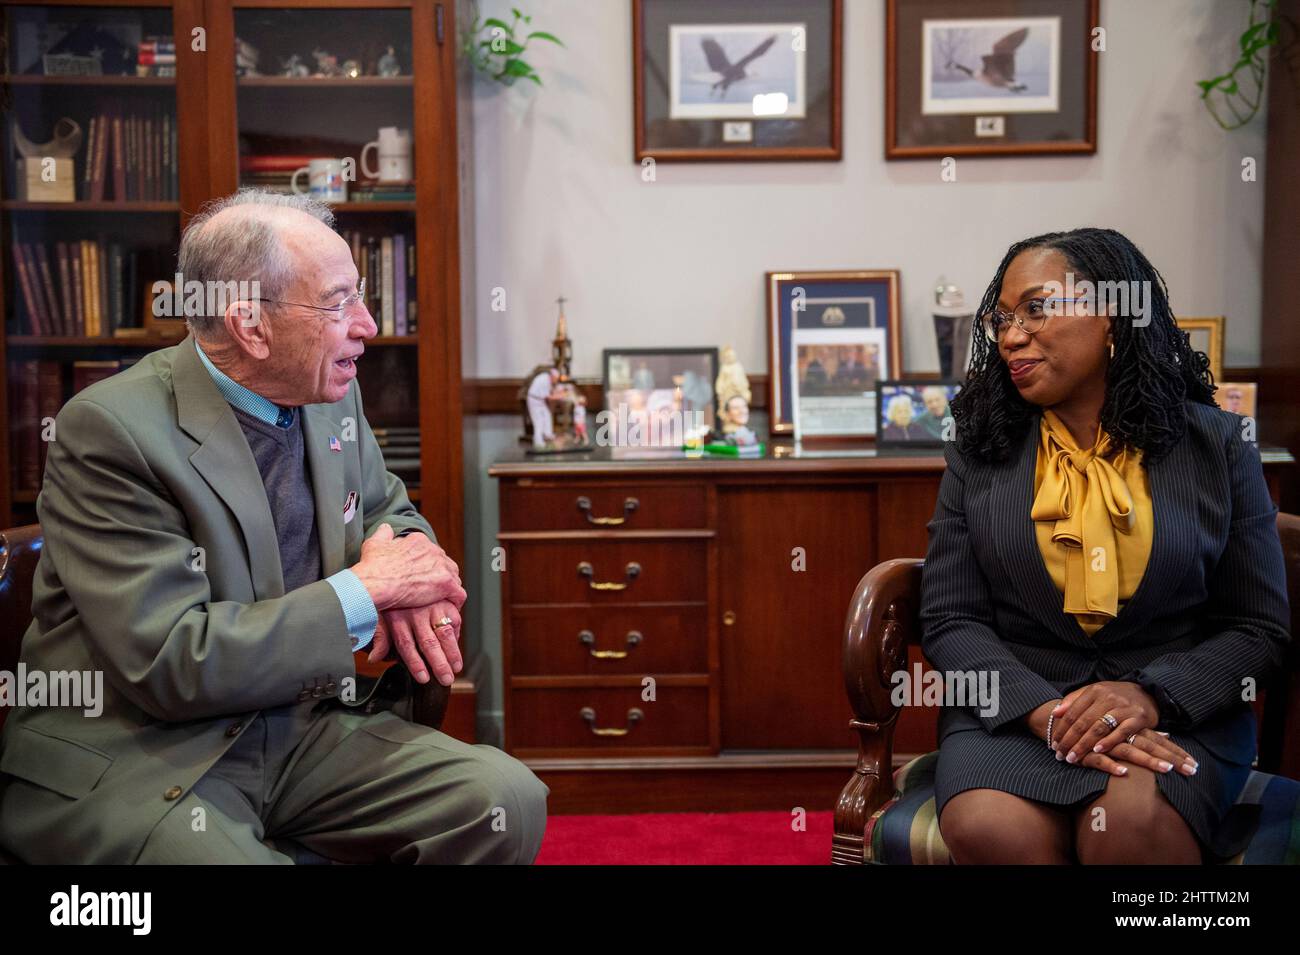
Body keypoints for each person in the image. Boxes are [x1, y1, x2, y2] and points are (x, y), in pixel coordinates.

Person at [0, 189, 549, 864]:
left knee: (503, 801)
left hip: (298, 729)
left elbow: (387, 507)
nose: (368, 324)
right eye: (339, 301)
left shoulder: (327, 396)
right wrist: (367, 590)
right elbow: (173, 663)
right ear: (251, 326)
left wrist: (406, 557)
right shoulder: (110, 432)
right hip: (148, 751)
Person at [923, 227, 1289, 864]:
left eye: (1036, 310)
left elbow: (1257, 627)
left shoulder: (1219, 447)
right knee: (991, 826)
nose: (1011, 336)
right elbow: (951, 619)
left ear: (1113, 314)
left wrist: (1148, 696)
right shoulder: (979, 452)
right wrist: (1044, 711)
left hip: (1177, 714)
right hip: (1016, 711)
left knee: (1129, 826)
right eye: (1002, 319)